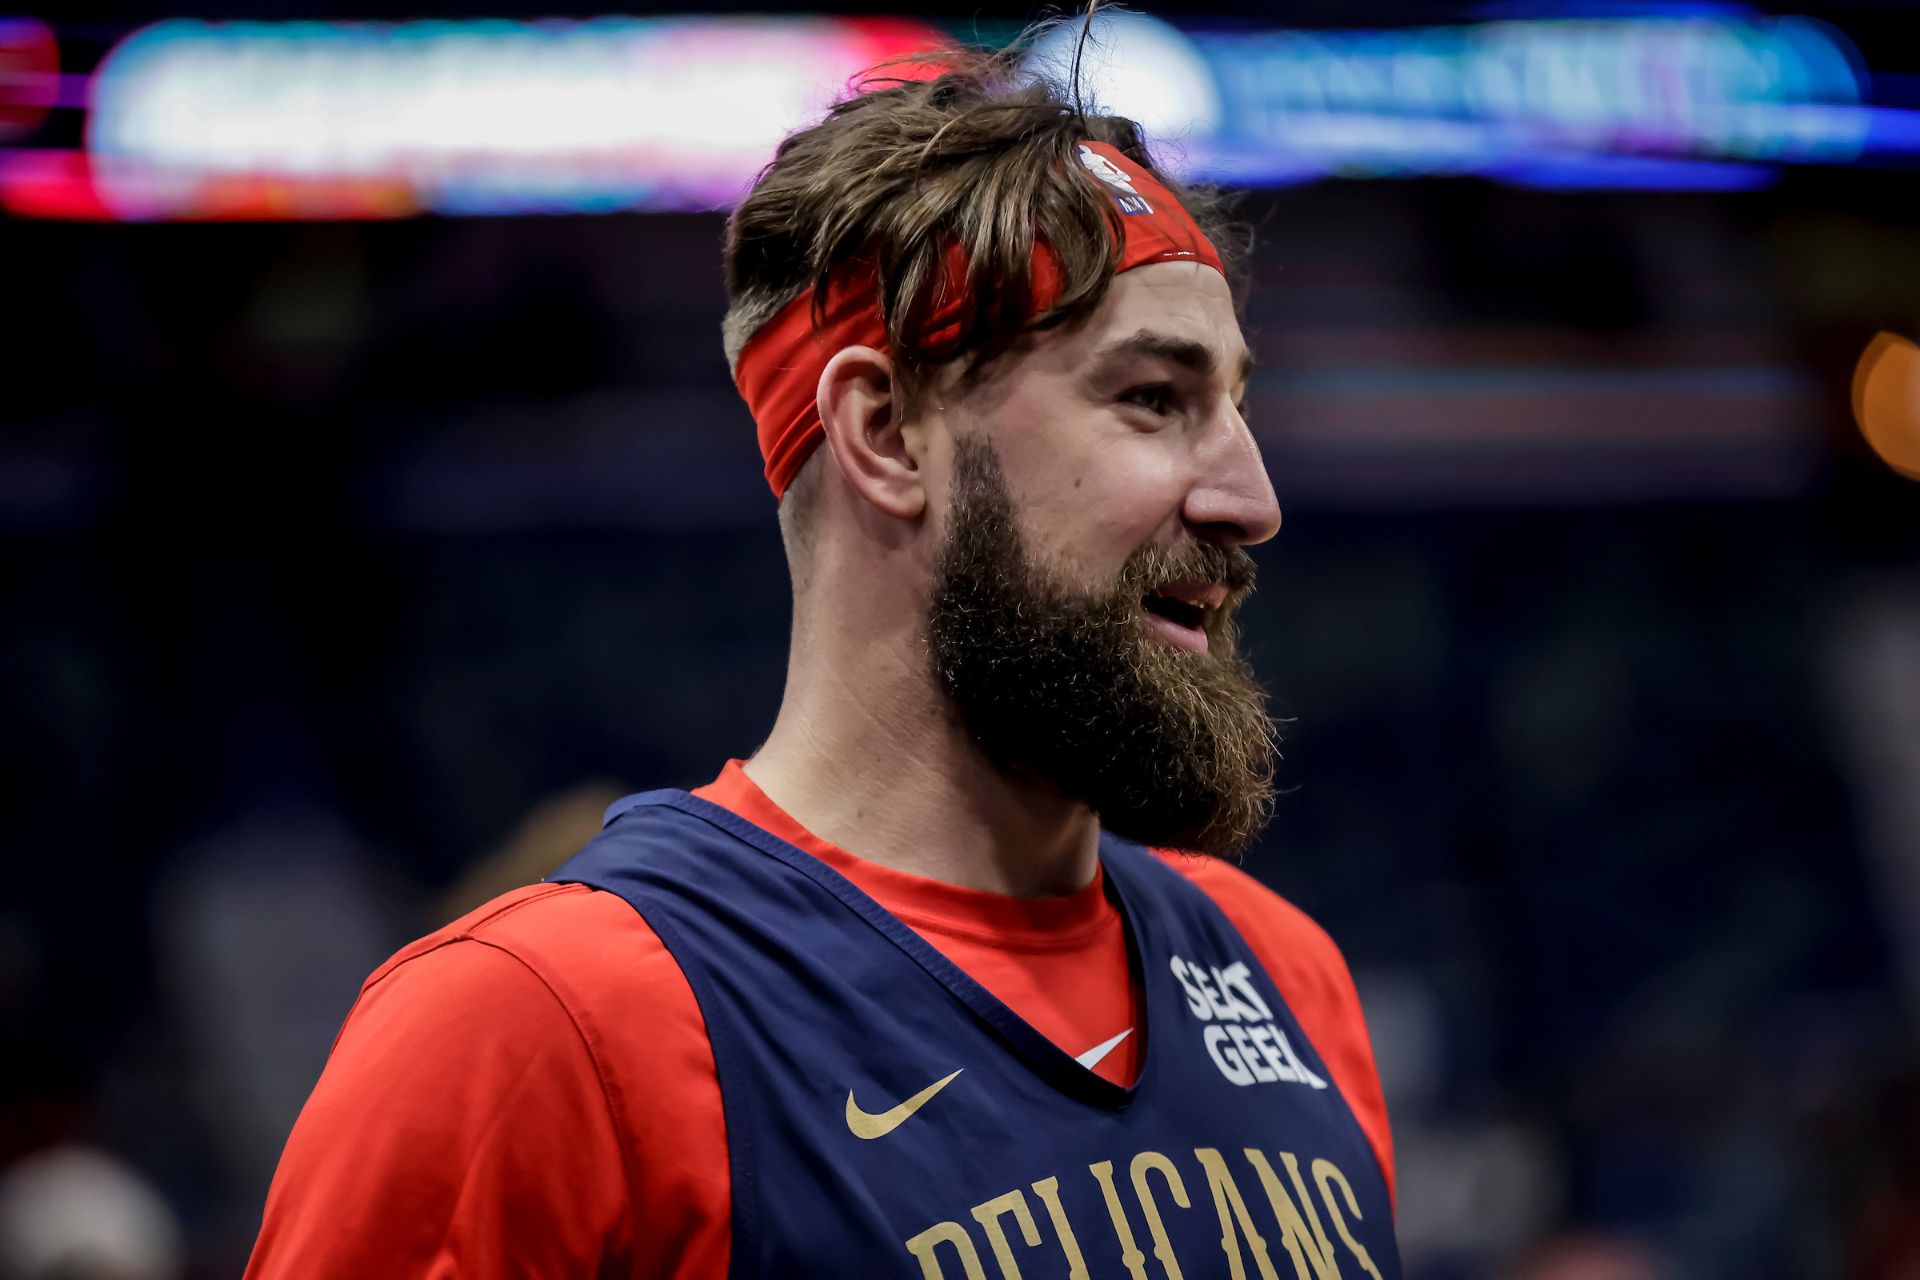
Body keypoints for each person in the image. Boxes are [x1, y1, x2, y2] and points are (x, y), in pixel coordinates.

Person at [246, 46, 1400, 1280]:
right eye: (1153, 398)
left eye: (1234, 401)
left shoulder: (1282, 973)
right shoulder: (543, 1022)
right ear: (887, 430)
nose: (1251, 495)